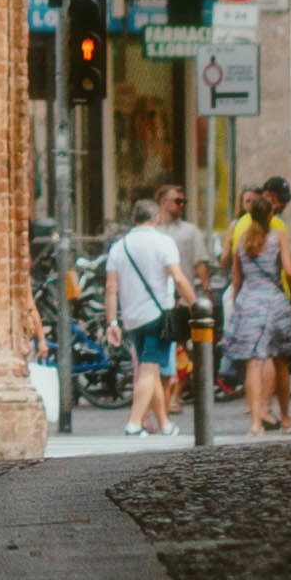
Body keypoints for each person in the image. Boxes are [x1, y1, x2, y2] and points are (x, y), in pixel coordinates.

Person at [97, 185, 187, 435]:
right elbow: (178, 278)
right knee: (149, 369)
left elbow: (110, 288)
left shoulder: (119, 248)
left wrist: (112, 323)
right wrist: (196, 304)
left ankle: (165, 424)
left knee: (151, 368)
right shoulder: (163, 243)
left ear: (134, 219)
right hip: (158, 316)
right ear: (156, 218)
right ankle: (134, 423)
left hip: (132, 318)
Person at [225, 176, 291, 436]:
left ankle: (255, 423)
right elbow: (290, 270)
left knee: (253, 364)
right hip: (274, 303)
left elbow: (236, 280)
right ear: (270, 214)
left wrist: (238, 304)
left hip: (248, 302)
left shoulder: (243, 240)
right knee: (280, 360)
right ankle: (284, 417)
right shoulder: (278, 236)